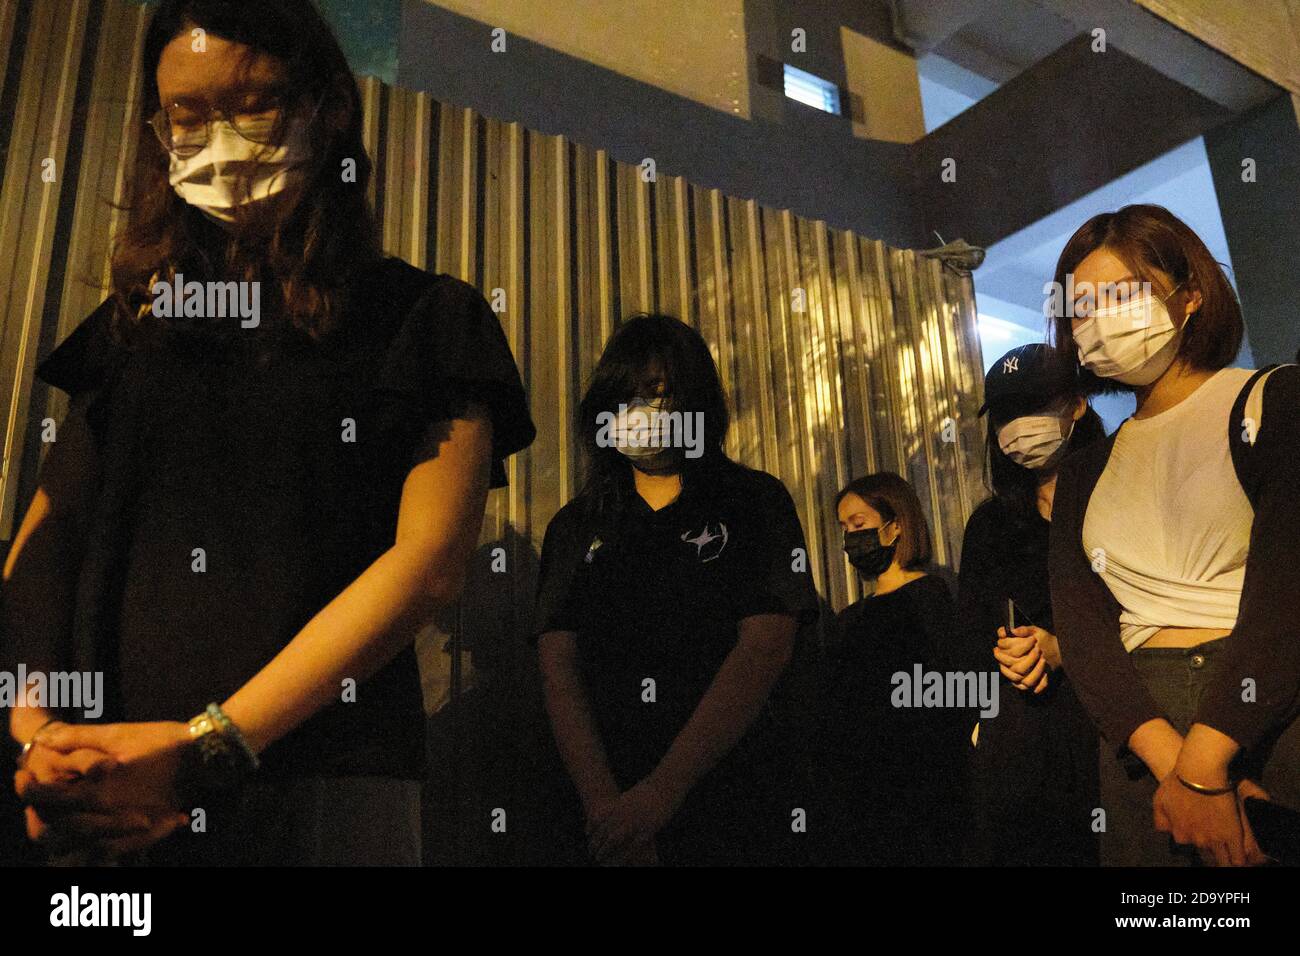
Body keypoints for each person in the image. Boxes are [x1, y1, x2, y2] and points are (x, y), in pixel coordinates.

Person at [3, 0, 534, 865]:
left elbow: (430, 563)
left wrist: (209, 747)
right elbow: (49, 535)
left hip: (325, 779)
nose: (219, 134)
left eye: (253, 102)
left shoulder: (428, 317)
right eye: (186, 112)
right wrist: (38, 736)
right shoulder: (132, 323)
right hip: (105, 782)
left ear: (327, 107)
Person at [1046, 203, 1300, 866]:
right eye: (1081, 308)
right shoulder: (1083, 472)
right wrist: (1174, 768)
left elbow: (1287, 595)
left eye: (1123, 294)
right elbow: (1083, 632)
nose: (1099, 320)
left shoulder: (1274, 401)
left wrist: (1207, 761)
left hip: (1266, 714)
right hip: (1141, 735)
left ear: (1189, 295)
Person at [531, 314, 819, 866]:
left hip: (736, 807)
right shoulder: (574, 526)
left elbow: (765, 645)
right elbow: (557, 665)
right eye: (627, 394)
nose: (642, 410)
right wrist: (610, 815)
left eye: (659, 392)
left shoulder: (754, 501)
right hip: (604, 826)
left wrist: (660, 794)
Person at [957, 343, 1103, 866]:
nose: (1020, 427)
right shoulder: (991, 524)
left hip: (1113, 734)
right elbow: (972, 638)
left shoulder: (1118, 489)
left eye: (1033, 406)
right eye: (1005, 415)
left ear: (1077, 404)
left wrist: (1067, 649)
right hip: (1021, 751)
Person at [818, 471, 970, 865]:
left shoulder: (931, 596)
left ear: (895, 527)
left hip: (924, 794)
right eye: (844, 528)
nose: (851, 538)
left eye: (860, 524)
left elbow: (954, 693)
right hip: (863, 796)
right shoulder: (849, 619)